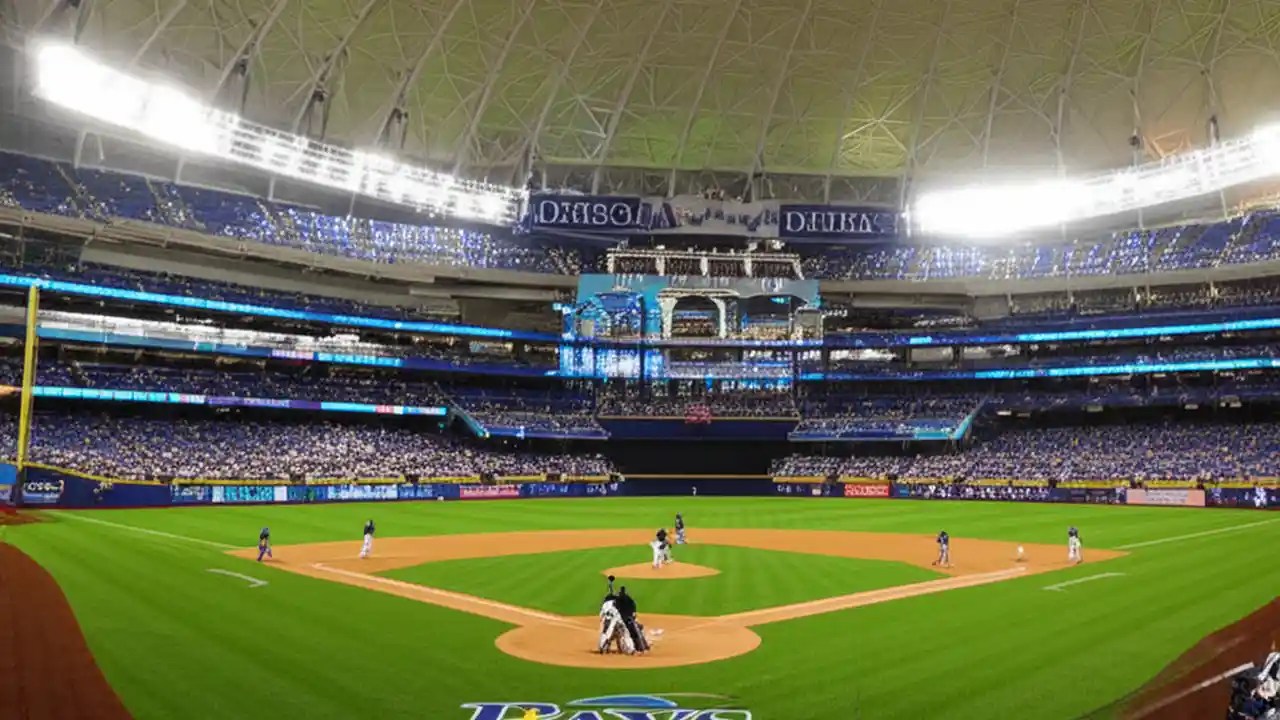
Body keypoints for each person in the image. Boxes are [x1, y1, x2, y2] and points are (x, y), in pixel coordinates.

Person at [614, 586, 649, 653]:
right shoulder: (628, 599)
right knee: (636, 631)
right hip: (628, 619)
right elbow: (633, 607)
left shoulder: (618, 599)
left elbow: (615, 607)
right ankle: (642, 647)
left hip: (623, 619)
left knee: (630, 632)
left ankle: (640, 647)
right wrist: (633, 614)